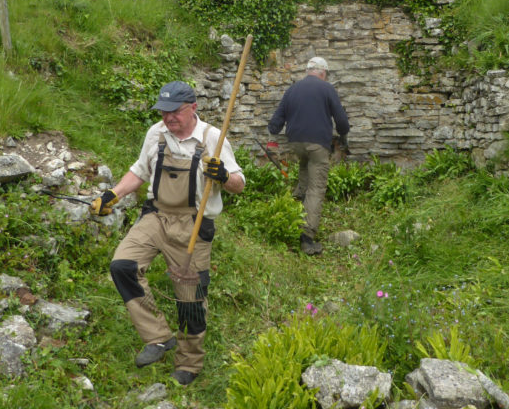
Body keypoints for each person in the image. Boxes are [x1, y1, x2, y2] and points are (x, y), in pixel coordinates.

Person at [90, 80, 245, 386]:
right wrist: (113, 195)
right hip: (156, 216)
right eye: (164, 112)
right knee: (123, 266)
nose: (169, 118)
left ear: (193, 108)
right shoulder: (156, 133)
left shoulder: (213, 137)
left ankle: (189, 362)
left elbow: (239, 183)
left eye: (175, 112)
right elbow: (140, 170)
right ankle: (158, 337)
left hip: (193, 224)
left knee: (190, 298)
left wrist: (224, 176)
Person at [267, 56, 350, 255]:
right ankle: (307, 238)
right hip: (317, 145)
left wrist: (272, 138)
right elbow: (341, 120)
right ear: (323, 73)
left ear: (308, 70)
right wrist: (344, 137)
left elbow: (275, 123)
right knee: (316, 188)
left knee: (304, 177)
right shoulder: (327, 88)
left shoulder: (292, 90)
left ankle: (291, 220)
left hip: (296, 144)